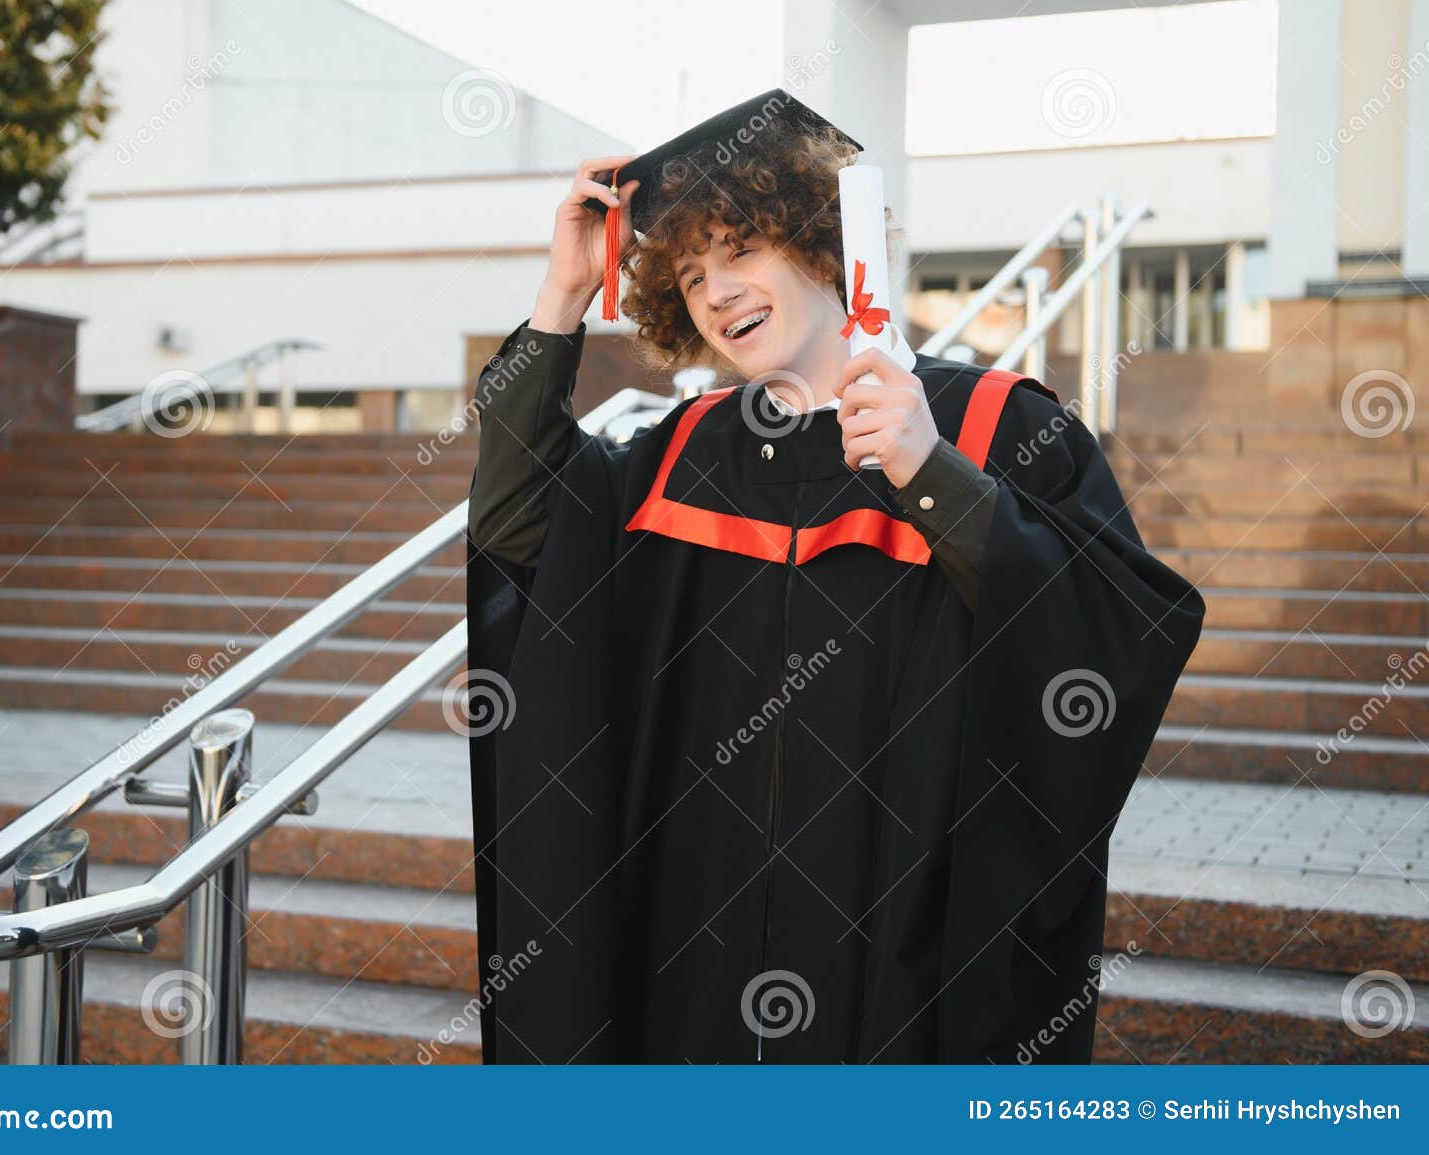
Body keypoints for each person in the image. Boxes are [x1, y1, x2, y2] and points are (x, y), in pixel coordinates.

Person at [463, 89, 1204, 1064]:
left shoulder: (995, 424)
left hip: (905, 944)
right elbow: (516, 524)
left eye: (739, 249)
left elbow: (1113, 632)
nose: (717, 290)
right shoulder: (667, 462)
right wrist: (560, 298)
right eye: (687, 276)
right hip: (692, 949)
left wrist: (929, 476)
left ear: (816, 240)